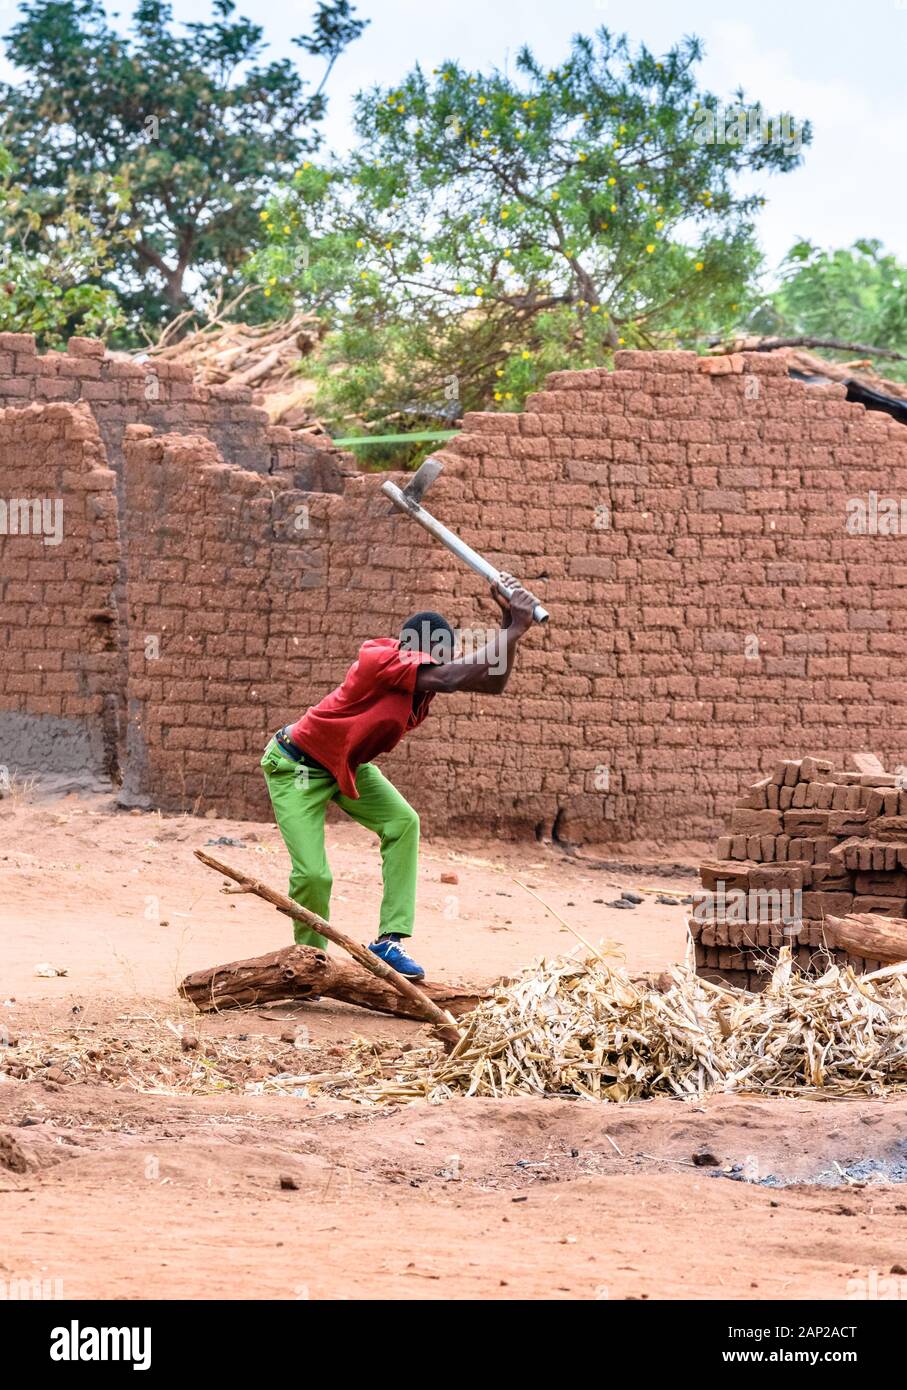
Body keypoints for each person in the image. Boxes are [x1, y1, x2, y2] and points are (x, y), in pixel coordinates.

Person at [260, 575, 538, 979]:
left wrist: (508, 630)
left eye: (444, 656)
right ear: (411, 649)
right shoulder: (380, 658)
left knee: (403, 822)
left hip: (346, 766)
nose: (440, 663)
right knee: (313, 874)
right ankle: (310, 961)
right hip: (297, 766)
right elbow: (452, 677)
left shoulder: (425, 684)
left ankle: (389, 941)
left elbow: (492, 684)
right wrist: (514, 629)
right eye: (433, 655)